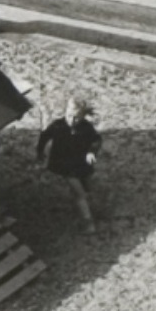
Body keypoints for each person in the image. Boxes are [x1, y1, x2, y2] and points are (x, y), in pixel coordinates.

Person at [36, 98, 102, 234]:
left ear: (83, 117)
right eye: (69, 116)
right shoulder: (57, 126)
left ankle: (93, 206)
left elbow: (96, 140)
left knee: (87, 186)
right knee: (79, 193)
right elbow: (44, 137)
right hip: (65, 165)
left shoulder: (86, 128)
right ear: (65, 112)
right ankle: (88, 223)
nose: (72, 121)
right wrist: (40, 152)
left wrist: (91, 152)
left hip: (82, 163)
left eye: (76, 118)